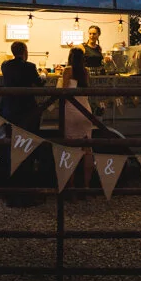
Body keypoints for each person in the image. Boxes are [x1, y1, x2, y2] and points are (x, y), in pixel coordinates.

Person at [0, 41, 46, 206]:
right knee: (27, 149)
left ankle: (11, 190)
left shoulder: (5, 66)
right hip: (26, 113)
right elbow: (40, 83)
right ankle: (25, 192)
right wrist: (44, 75)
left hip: (9, 111)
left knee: (12, 148)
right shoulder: (30, 66)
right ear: (25, 51)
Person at [59, 46, 95, 195]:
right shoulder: (86, 72)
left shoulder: (67, 70)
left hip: (72, 112)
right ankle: (86, 188)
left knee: (71, 152)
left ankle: (72, 189)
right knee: (87, 151)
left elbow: (64, 91)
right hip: (86, 111)